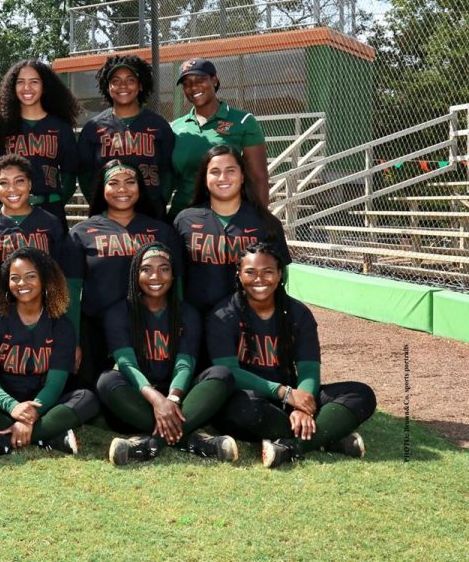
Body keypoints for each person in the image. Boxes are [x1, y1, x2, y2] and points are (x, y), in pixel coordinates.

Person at [208, 243, 377, 468]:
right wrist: (284, 393)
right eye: (250, 272)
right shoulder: (223, 314)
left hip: (291, 395)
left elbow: (308, 368)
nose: (259, 279)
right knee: (241, 409)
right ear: (238, 275)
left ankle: (290, 447)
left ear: (280, 274)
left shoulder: (297, 313)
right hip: (252, 397)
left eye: (268, 271)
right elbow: (229, 372)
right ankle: (325, 437)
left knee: (360, 394)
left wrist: (302, 405)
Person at [96, 242, 238, 466]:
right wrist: (156, 400)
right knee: (106, 380)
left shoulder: (187, 313)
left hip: (179, 397)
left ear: (173, 276)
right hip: (139, 399)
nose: (156, 276)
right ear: (136, 274)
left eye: (164, 269)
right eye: (146, 269)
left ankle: (149, 445)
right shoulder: (119, 313)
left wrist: (171, 399)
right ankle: (192, 440)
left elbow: (185, 364)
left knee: (222, 374)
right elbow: (126, 364)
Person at [0, 247, 99, 461]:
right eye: (15, 278)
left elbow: (55, 384)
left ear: (45, 280)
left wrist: (30, 414)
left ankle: (1, 439)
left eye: (30, 276)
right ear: (6, 282)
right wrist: (13, 407)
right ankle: (47, 435)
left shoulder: (60, 325)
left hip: (42, 403)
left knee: (87, 399)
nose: (22, 284)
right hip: (2, 402)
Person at [69, 159, 181, 386]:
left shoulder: (161, 231)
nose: (122, 189)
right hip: (96, 328)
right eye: (114, 183)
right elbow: (71, 290)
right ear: (102, 188)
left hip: (149, 327)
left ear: (140, 187)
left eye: (130, 182)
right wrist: (73, 340)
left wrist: (177, 325)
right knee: (93, 389)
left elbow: (177, 284)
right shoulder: (82, 232)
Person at [173, 145, 290, 316]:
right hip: (198, 323)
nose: (223, 177)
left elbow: (281, 277)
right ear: (205, 178)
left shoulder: (266, 223)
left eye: (231, 170)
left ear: (242, 176)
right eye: (214, 171)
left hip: (250, 323)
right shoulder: (185, 220)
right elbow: (177, 279)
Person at [0, 153, 73, 311]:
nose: (12, 189)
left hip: (41, 314)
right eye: (3, 183)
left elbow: (60, 277)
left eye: (19, 181)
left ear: (30, 184)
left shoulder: (50, 224)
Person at [0, 59, 80, 230]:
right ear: (12, 87)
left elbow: (70, 177)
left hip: (50, 211)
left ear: (44, 86)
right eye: (20, 82)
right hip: (9, 214)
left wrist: (53, 202)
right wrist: (10, 202)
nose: (27, 88)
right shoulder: (0, 126)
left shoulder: (60, 127)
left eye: (34, 82)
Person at [77, 54, 175, 219]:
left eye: (130, 80)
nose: (123, 86)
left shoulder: (159, 125)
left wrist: (159, 200)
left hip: (151, 213)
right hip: (109, 213)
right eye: (116, 81)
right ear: (108, 87)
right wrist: (98, 203)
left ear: (140, 85)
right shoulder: (93, 128)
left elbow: (168, 171)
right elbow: (85, 175)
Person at [169, 58, 269, 216]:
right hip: (182, 218)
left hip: (229, 219)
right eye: (187, 83)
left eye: (200, 80)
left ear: (214, 80)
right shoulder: (175, 127)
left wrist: (262, 220)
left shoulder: (243, 121)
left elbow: (259, 178)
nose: (193, 87)